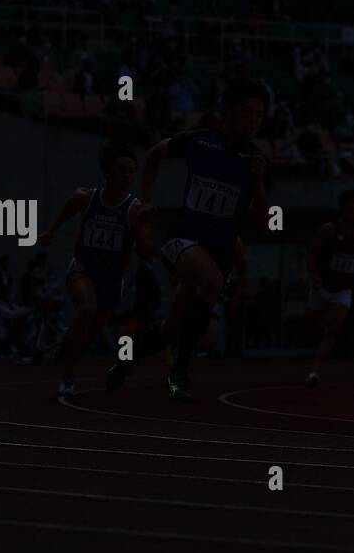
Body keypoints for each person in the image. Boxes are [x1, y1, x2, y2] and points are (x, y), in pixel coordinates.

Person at [106, 78, 271, 400]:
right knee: (209, 281)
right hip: (180, 243)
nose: (254, 120)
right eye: (249, 112)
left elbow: (267, 224)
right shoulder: (199, 142)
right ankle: (179, 372)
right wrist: (146, 201)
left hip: (218, 253)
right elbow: (153, 155)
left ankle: (124, 362)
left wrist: (259, 183)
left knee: (172, 327)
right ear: (230, 111)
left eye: (260, 115)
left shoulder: (257, 161)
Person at [40, 142, 154, 396]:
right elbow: (70, 206)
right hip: (83, 268)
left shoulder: (134, 210)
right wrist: (51, 230)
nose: (127, 175)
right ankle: (68, 375)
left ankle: (64, 345)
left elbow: (146, 252)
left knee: (89, 331)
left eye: (132, 170)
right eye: (122, 169)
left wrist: (147, 228)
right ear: (108, 172)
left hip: (112, 280)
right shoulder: (87, 197)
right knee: (87, 307)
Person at [305, 189, 354, 385]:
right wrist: (314, 276)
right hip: (322, 287)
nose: (353, 212)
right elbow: (312, 255)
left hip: (343, 290)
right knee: (314, 328)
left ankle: (314, 372)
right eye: (349, 208)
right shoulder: (329, 230)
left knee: (332, 329)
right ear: (342, 210)